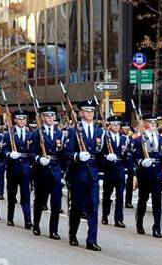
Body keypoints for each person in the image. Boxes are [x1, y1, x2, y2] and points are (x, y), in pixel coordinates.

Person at [64, 100, 102, 250]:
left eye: (92, 110)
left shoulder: (99, 131)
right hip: (78, 174)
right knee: (77, 207)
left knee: (93, 207)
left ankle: (91, 239)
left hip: (93, 174)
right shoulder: (74, 131)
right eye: (87, 110)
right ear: (80, 113)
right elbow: (66, 153)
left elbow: (101, 152)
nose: (90, 113)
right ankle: (73, 234)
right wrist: (77, 156)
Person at [30, 105, 64, 239]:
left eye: (52, 116)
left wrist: (63, 173)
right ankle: (36, 225)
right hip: (41, 172)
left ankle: (53, 230)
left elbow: (62, 155)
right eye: (47, 116)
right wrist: (39, 159)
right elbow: (31, 153)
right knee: (40, 201)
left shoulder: (60, 134)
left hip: (55, 172)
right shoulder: (36, 133)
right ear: (42, 117)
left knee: (56, 203)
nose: (50, 118)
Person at [3, 107, 35, 229]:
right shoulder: (9, 134)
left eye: (23, 119)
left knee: (26, 195)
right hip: (13, 168)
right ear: (15, 120)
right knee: (12, 195)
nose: (21, 121)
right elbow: (4, 150)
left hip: (26, 169)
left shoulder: (30, 134)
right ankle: (10, 217)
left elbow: (32, 151)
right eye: (19, 119)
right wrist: (9, 154)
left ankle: (28, 220)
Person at [133, 114, 162, 237]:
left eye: (154, 123)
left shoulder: (161, 139)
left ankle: (157, 228)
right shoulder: (139, 139)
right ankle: (139, 223)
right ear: (145, 124)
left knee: (157, 202)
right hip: (144, 173)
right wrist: (141, 162)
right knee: (143, 200)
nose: (152, 125)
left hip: (156, 173)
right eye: (150, 123)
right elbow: (135, 157)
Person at [99, 114, 128, 228]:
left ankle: (119, 219)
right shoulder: (105, 138)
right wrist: (106, 157)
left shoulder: (124, 139)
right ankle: (105, 215)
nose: (116, 126)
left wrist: (126, 169)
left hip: (120, 170)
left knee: (120, 196)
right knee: (107, 195)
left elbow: (125, 155)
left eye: (118, 125)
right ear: (109, 126)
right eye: (114, 124)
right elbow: (100, 154)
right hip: (109, 170)